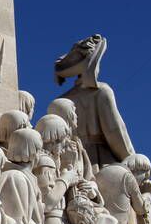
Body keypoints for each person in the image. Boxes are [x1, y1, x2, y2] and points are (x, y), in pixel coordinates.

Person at [54, 34, 135, 168]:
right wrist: (130, 157)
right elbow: (114, 130)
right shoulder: (101, 90)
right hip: (100, 160)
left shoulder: (61, 100)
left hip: (70, 162)